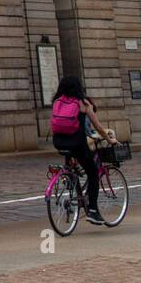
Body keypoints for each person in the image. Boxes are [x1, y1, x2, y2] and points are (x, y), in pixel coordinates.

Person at [50, 75, 118, 226]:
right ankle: (93, 211)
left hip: (59, 143)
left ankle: (69, 177)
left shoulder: (57, 102)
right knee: (93, 173)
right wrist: (109, 139)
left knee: (72, 163)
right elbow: (98, 127)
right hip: (76, 143)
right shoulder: (83, 103)